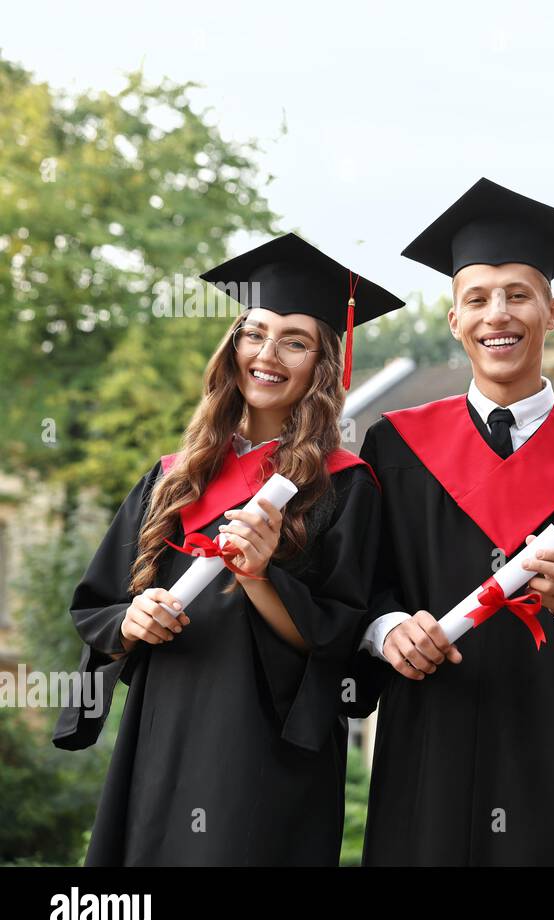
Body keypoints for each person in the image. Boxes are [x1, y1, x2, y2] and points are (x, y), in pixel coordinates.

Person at [54, 233, 399, 865]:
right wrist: (132, 620)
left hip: (263, 751)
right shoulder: (173, 476)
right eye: (254, 332)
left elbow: (336, 638)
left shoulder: (344, 485)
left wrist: (262, 575)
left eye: (295, 340)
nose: (267, 354)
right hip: (162, 734)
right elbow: (97, 607)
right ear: (232, 344)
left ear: (323, 365)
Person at [350, 178, 554, 865]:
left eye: (518, 294)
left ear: (553, 311)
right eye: (476, 299)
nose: (497, 314)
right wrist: (388, 629)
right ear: (454, 321)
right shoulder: (394, 446)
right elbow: (359, 586)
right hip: (430, 743)